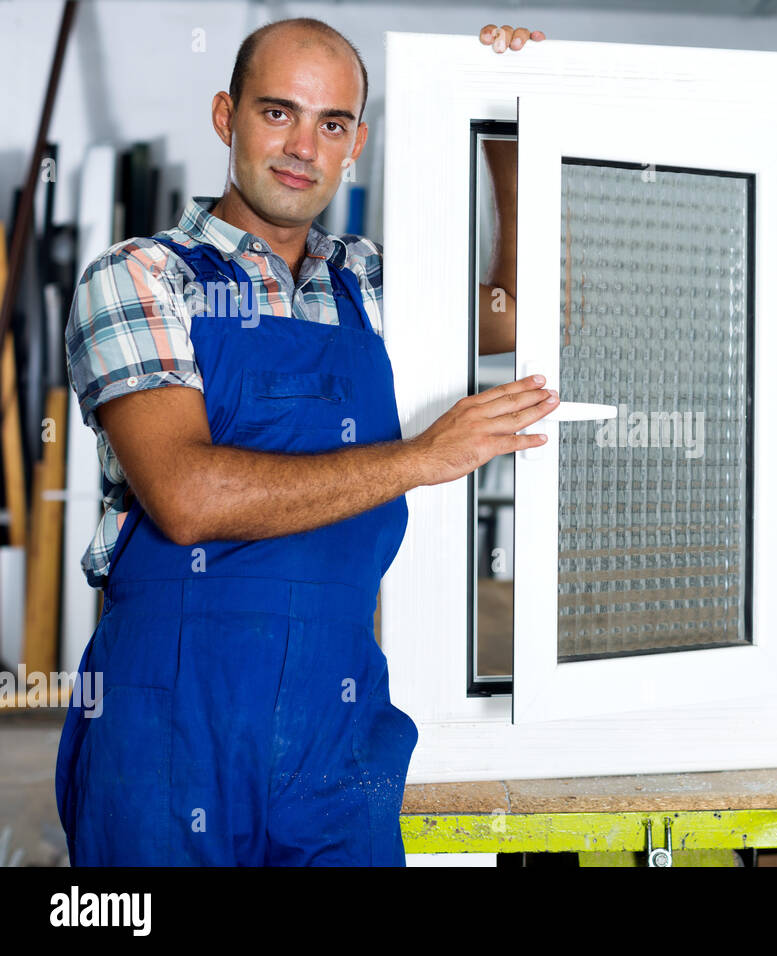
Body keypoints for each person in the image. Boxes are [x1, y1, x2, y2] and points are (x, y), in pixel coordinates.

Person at [55, 19, 550, 866]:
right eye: (277, 112)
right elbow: (185, 497)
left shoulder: (374, 284)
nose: (302, 148)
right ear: (226, 116)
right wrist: (422, 458)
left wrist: (507, 105)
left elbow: (527, 303)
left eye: (330, 124)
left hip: (338, 718)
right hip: (171, 718)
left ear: (356, 141)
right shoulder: (141, 275)